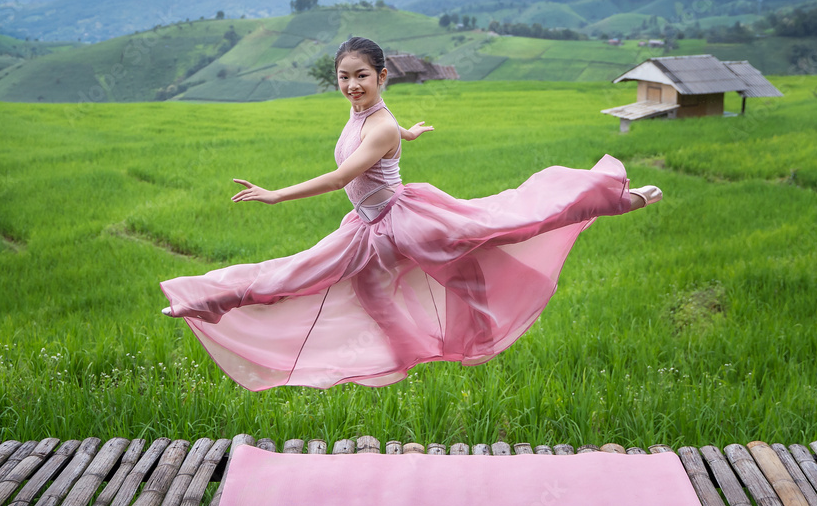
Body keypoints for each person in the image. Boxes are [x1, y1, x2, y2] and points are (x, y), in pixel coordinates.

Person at [160, 37, 661, 391]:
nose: (352, 85)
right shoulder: (364, 116)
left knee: (508, 226)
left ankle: (616, 198)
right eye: (344, 77)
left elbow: (340, 178)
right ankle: (205, 302)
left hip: (405, 224)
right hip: (369, 226)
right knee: (320, 279)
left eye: (362, 77)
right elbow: (375, 142)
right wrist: (406, 136)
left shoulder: (379, 126)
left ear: (382, 77)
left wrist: (275, 195)